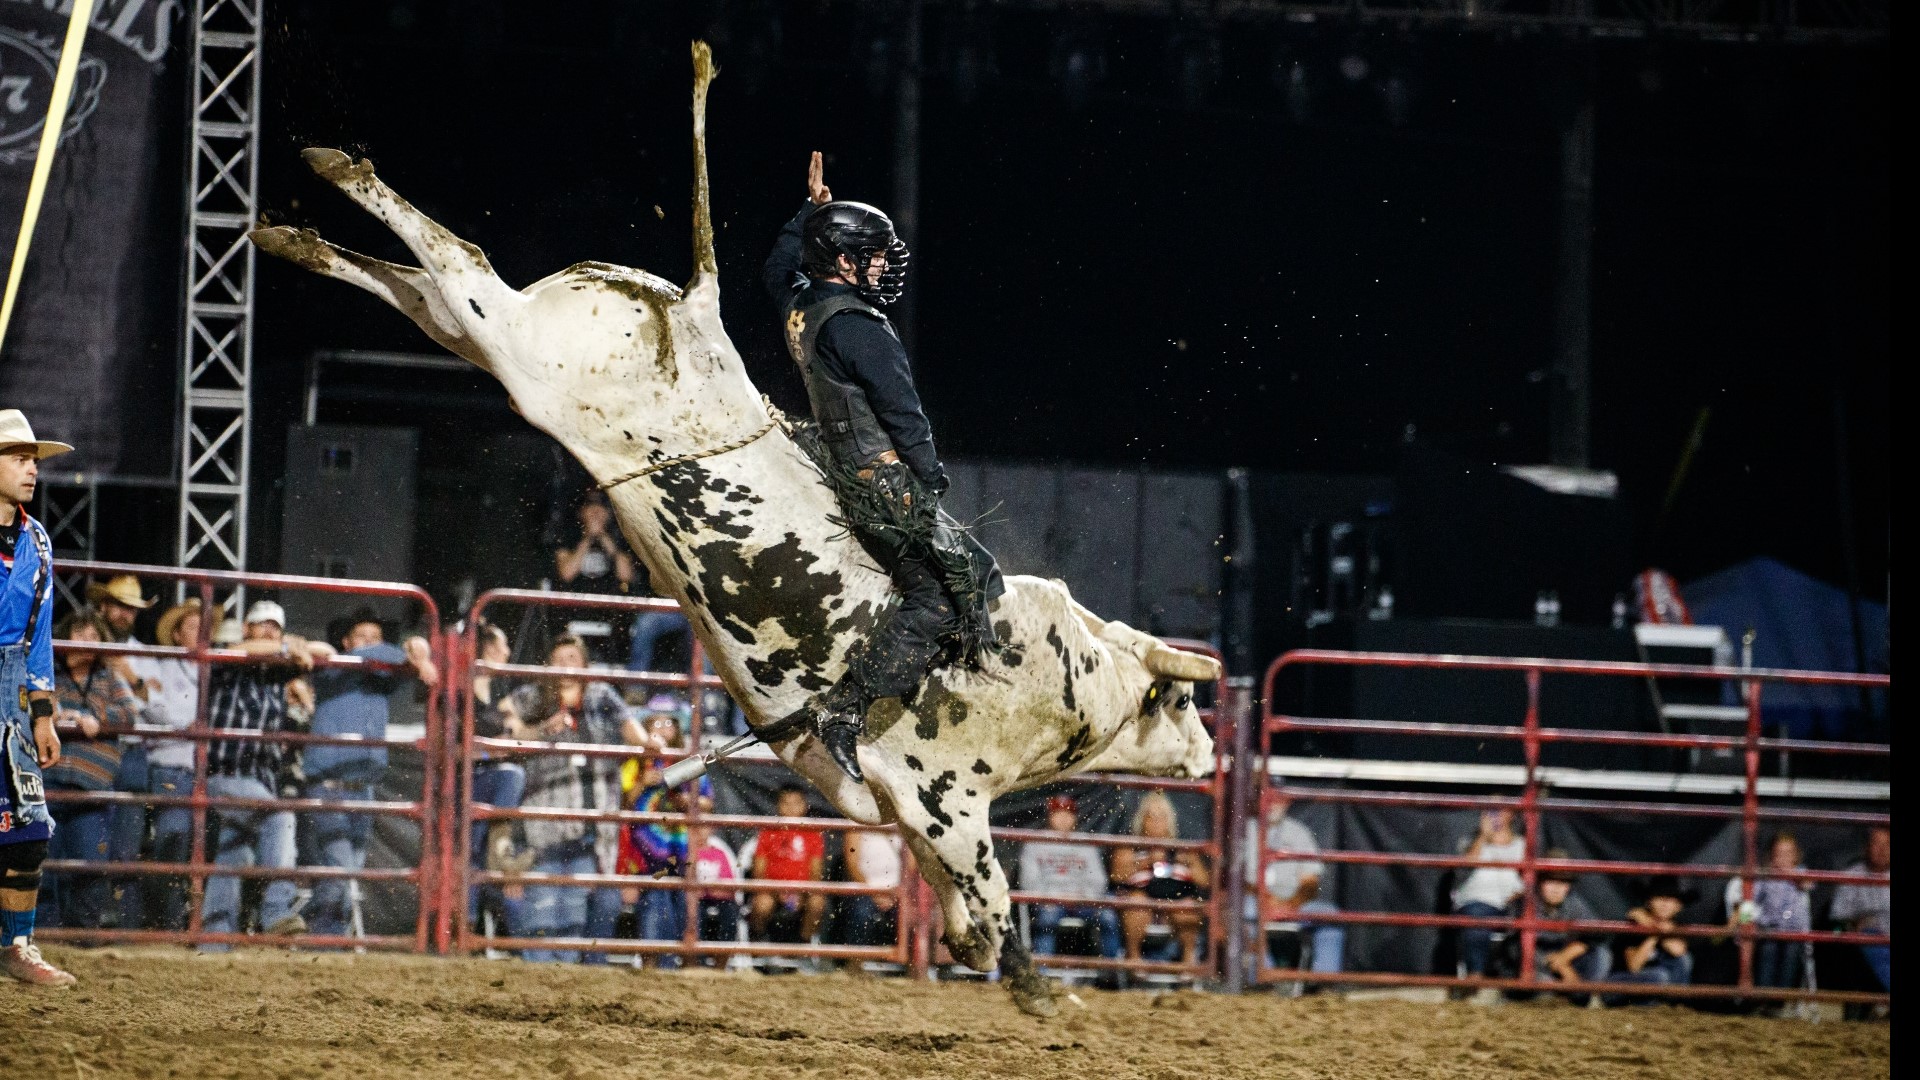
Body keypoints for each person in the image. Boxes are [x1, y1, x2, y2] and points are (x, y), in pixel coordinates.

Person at [761, 152, 1004, 782]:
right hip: (879, 479)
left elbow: (775, 269)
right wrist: (930, 485)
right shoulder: (861, 327)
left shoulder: (802, 303)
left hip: (830, 457)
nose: (880, 265)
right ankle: (848, 708)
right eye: (870, 255)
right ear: (844, 261)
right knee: (955, 589)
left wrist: (809, 213)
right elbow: (904, 415)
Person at [302, 608, 439, 939]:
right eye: (362, 638)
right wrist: (411, 654)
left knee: (345, 872)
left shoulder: (381, 679)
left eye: (375, 639)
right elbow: (388, 658)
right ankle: (325, 942)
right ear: (347, 642)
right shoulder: (333, 668)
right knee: (341, 871)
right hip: (331, 786)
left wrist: (417, 650)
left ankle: (322, 938)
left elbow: (407, 659)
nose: (369, 646)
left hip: (361, 787)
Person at [0, 410, 78, 986]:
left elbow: (39, 635)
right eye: (18, 458)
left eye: (33, 461)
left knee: (29, 828)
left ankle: (17, 948)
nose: (31, 470)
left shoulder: (38, 542)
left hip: (9, 693)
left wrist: (43, 716)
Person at [199, 600, 326, 944]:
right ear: (247, 628)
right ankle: (276, 910)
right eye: (261, 624)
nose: (269, 630)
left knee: (233, 853)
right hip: (226, 774)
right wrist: (285, 646)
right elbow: (240, 649)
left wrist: (294, 647)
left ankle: (214, 937)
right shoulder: (232, 659)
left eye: (276, 626)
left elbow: (324, 650)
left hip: (258, 781)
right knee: (279, 815)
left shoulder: (278, 674)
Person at [505, 634, 625, 962]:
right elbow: (507, 733)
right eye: (559, 659)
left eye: (573, 658)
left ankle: (565, 983)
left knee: (573, 914)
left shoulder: (602, 699)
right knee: (542, 912)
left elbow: (633, 732)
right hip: (543, 830)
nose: (566, 665)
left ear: (585, 665)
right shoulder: (532, 698)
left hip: (591, 833)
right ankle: (540, 980)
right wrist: (542, 730)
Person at [37, 609, 138, 929]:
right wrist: (43, 711)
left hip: (90, 780)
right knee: (41, 858)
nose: (87, 641)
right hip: (47, 777)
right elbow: (22, 701)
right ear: (67, 636)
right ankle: (42, 932)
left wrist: (98, 718)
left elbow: (129, 714)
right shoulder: (45, 674)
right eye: (80, 633)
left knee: (89, 860)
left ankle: (84, 934)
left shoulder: (108, 678)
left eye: (95, 637)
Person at [116, 598, 203, 929]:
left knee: (185, 844)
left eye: (204, 627)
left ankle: (177, 920)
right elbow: (158, 711)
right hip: (171, 763)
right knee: (174, 839)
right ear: (178, 634)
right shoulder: (165, 665)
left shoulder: (213, 666)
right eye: (193, 627)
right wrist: (188, 727)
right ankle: (167, 921)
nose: (200, 633)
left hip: (201, 766)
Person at [83, 574, 162, 930]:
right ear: (103, 606)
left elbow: (163, 712)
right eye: (119, 606)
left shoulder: (143, 657)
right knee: (87, 841)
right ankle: (82, 923)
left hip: (127, 754)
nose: (124, 615)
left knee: (125, 844)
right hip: (89, 749)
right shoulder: (83, 647)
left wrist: (134, 679)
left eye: (130, 609)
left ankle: (122, 928)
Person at [620, 696, 712, 967]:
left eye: (667, 723)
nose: (661, 729)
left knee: (683, 904)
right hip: (645, 848)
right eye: (655, 723)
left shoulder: (687, 761)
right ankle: (651, 962)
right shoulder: (635, 762)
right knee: (653, 901)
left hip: (681, 845)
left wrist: (686, 800)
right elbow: (624, 803)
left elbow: (707, 801)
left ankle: (684, 961)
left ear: (677, 728)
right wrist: (641, 784)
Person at [468, 622, 527, 925]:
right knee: (473, 845)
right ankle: (498, 842)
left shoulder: (499, 688)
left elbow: (517, 730)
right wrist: (494, 748)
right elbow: (455, 746)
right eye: (503, 646)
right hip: (466, 780)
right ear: (490, 649)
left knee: (475, 843)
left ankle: (497, 841)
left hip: (490, 783)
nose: (507, 652)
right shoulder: (463, 688)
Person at [1111, 791, 1210, 966]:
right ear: (1142, 820)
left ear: (1169, 820)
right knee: (1136, 904)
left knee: (1188, 906)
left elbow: (1205, 881)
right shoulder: (1130, 846)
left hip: (1176, 896)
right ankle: (1134, 959)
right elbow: (1116, 876)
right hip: (1141, 896)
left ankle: (1188, 961)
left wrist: (1190, 864)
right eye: (1151, 817)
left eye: (1161, 817)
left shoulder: (1183, 848)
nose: (1156, 822)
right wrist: (1146, 861)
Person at [1017, 794, 1120, 961]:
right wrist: (1052, 897)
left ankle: (1112, 975)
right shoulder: (1034, 843)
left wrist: (1083, 897)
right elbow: (1028, 881)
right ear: (1050, 815)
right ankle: (1042, 972)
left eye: (1068, 814)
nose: (1064, 819)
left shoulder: (1085, 842)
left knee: (1108, 916)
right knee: (1046, 919)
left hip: (1084, 901)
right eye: (1058, 813)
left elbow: (1099, 880)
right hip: (1049, 902)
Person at [1259, 794, 1345, 976]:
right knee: (1245, 912)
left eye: (1279, 797)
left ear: (1288, 801)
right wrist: (1264, 901)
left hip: (1293, 904)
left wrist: (1291, 904)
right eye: (1268, 795)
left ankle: (1323, 983)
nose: (1274, 801)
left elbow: (1310, 882)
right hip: (1255, 902)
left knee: (1329, 916)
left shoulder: (1299, 833)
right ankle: (1261, 981)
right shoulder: (1242, 830)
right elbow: (1235, 880)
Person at [1724, 831, 1813, 990]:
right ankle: (1764, 997)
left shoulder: (1801, 872)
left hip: (1794, 931)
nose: (1783, 859)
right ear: (1771, 856)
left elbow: (1808, 884)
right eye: (1779, 854)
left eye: (1788, 854)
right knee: (1767, 955)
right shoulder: (1766, 875)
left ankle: (1781, 999)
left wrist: (1792, 874)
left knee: (1790, 959)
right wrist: (1743, 921)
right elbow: (1750, 898)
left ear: (1796, 856)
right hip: (1770, 928)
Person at [1517, 854, 1609, 996]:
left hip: (1568, 959)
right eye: (1551, 881)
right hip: (1538, 966)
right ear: (1540, 882)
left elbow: (1598, 933)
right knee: (1537, 982)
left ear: (1569, 886)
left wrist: (1565, 957)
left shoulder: (1574, 903)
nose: (1556, 888)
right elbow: (1514, 945)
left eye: (1563, 882)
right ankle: (1574, 992)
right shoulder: (1524, 903)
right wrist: (1557, 964)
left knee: (1602, 953)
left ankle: (1587, 993)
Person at [1452, 808, 1526, 979]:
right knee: (1476, 918)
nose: (1494, 814)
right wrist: (1484, 837)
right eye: (1489, 810)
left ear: (1510, 814)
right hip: (1479, 901)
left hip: (1513, 902)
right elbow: (1464, 867)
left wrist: (1519, 895)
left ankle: (1525, 977)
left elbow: (1529, 879)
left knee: (1533, 918)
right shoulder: (1470, 841)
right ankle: (1475, 975)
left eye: (1499, 809)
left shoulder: (1522, 845)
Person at [747, 784, 827, 943]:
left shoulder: (813, 834)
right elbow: (758, 872)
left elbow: (816, 873)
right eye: (786, 803)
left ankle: (802, 948)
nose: (791, 808)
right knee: (762, 904)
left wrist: (800, 893)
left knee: (817, 902)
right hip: (771, 891)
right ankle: (758, 947)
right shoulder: (768, 832)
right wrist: (778, 892)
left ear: (805, 806)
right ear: (778, 805)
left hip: (802, 891)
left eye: (796, 803)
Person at [1606, 875, 1695, 1001]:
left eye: (1671, 899)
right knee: (1660, 976)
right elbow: (1634, 966)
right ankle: (1650, 1004)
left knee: (1683, 959)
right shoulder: (1634, 925)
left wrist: (1659, 929)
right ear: (1649, 901)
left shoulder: (1674, 926)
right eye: (1659, 897)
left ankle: (1674, 1003)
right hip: (1620, 983)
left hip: (1654, 984)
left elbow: (1678, 951)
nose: (1665, 904)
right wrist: (1653, 934)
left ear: (1678, 906)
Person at [1828, 825, 1889, 993]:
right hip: (1867, 939)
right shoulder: (1852, 875)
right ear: (1866, 848)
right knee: (1871, 938)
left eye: (1887, 844)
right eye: (1877, 844)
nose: (1882, 850)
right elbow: (1837, 918)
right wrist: (1856, 922)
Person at [842, 824, 905, 948]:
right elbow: (852, 863)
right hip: (864, 889)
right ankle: (855, 963)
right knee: (862, 913)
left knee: (912, 912)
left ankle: (910, 964)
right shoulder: (856, 821)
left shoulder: (903, 821)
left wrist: (897, 892)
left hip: (897, 891)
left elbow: (912, 866)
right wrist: (874, 892)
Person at [687, 822, 742, 948]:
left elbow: (729, 884)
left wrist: (710, 889)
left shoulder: (719, 853)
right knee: (693, 916)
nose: (700, 831)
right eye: (696, 827)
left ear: (712, 829)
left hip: (719, 898)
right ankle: (697, 960)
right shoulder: (686, 853)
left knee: (730, 915)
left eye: (704, 827)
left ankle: (722, 961)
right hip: (695, 899)